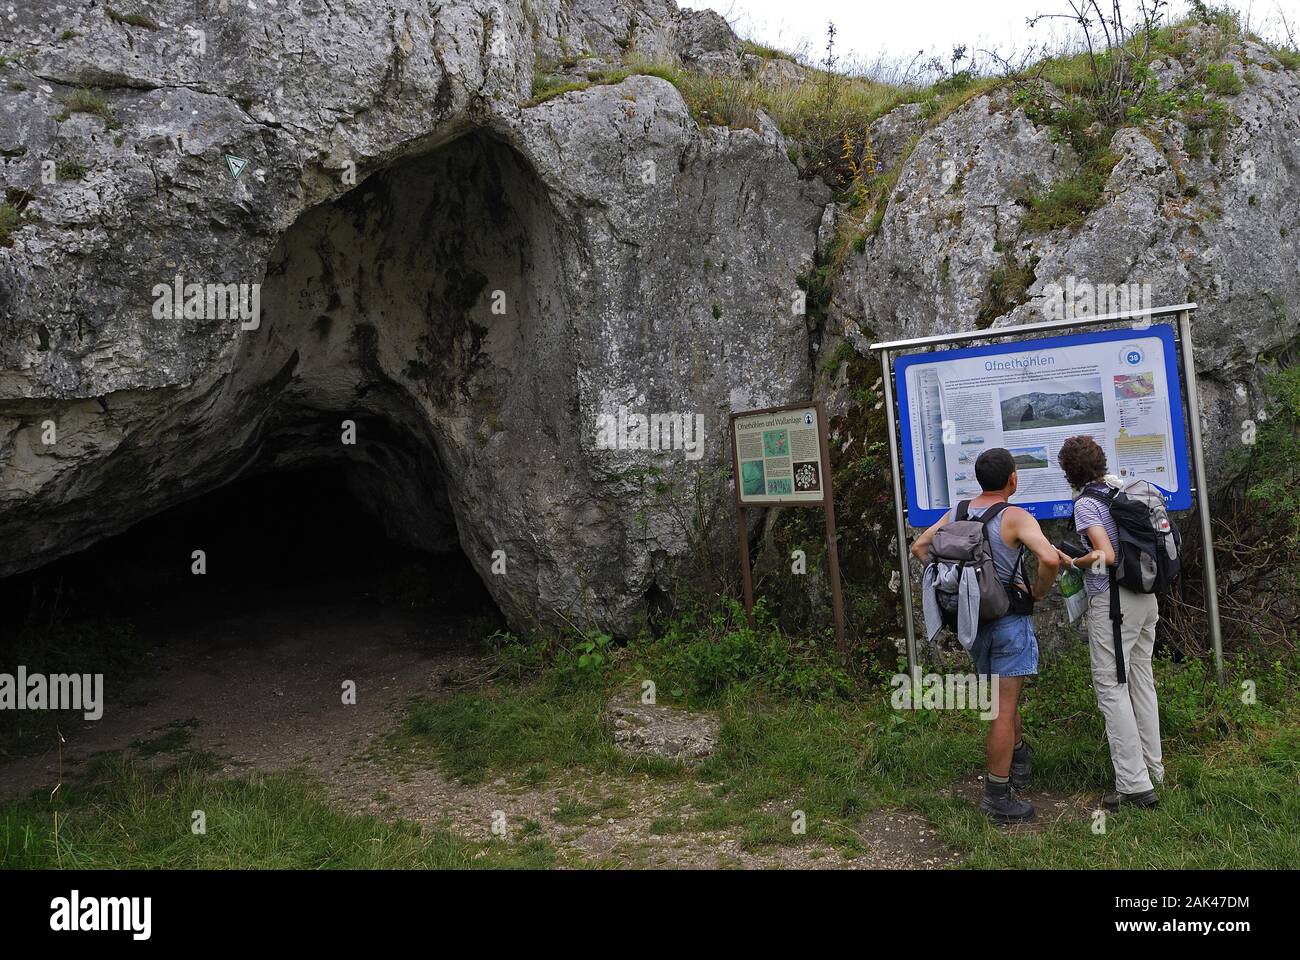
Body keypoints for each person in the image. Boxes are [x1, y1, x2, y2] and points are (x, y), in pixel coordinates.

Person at [911, 448, 1060, 823]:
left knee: (1002, 698)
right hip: (1009, 621)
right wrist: (1038, 592)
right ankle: (997, 796)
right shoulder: (1014, 517)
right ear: (1013, 479)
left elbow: (919, 546)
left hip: (972, 624)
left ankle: (1019, 756)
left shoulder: (959, 512)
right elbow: (1050, 559)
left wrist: (955, 582)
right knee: (1003, 707)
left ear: (979, 480)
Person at [1055, 436, 1162, 810]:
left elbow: (1107, 554)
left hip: (1114, 603)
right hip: (1145, 597)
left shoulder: (1086, 503)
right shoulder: (1121, 487)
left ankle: (1134, 786)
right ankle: (1153, 768)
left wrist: (1073, 563)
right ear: (1100, 462)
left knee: (1111, 687)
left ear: (1069, 472)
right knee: (1140, 681)